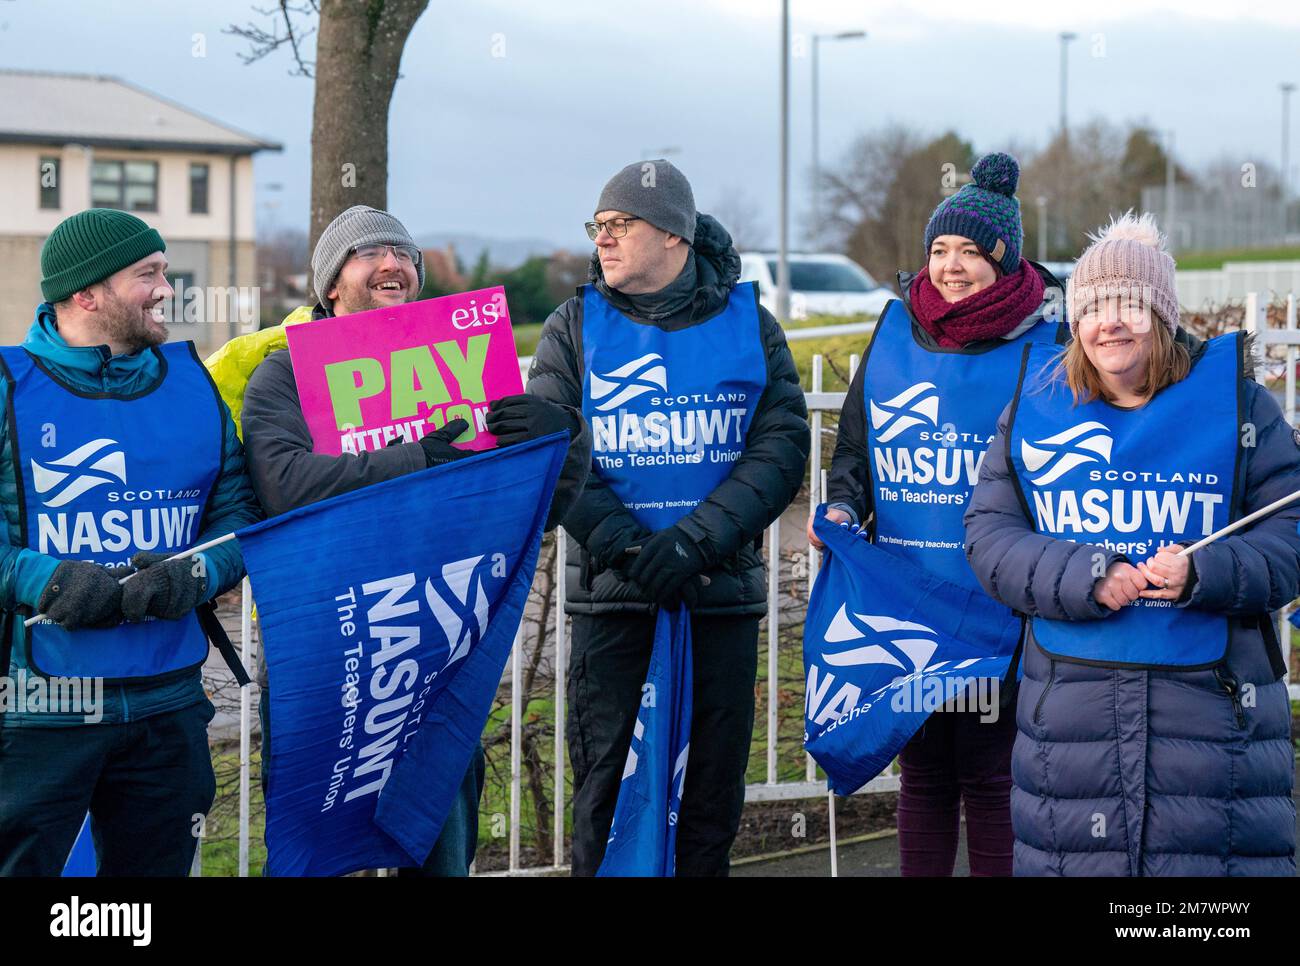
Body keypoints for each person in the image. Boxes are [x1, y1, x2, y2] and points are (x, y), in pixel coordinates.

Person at [214, 205, 590, 876]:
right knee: (313, 844)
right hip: (331, 652)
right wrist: (419, 459)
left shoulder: (463, 366)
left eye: (404, 253)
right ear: (332, 284)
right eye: (370, 253)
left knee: (440, 842)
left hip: (437, 653)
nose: (393, 263)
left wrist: (562, 441)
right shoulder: (285, 376)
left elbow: (537, 510)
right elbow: (287, 489)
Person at [964, 211, 1299, 876]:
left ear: (1164, 314)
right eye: (1093, 307)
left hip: (1216, 727)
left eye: (1130, 305)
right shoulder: (1034, 408)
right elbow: (990, 536)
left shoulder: (1240, 406)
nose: (1109, 323)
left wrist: (1208, 570)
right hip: (1070, 725)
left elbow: (1289, 536)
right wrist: (1085, 571)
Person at [528, 159, 810, 875]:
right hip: (611, 603)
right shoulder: (572, 326)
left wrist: (693, 544)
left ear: (676, 236)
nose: (604, 240)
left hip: (717, 600)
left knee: (708, 806)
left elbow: (779, 449)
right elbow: (552, 450)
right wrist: (629, 549)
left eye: (620, 224)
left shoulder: (752, 324)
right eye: (597, 227)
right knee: (607, 804)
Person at [812, 153, 1064, 877]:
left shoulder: (1044, 346)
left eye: (971, 253)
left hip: (997, 607)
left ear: (1005, 259)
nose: (952, 267)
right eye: (939, 250)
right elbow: (855, 448)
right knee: (922, 777)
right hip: (906, 602)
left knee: (991, 778)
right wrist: (841, 501)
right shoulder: (892, 332)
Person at [0, 209, 262, 875]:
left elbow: (239, 520)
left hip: (166, 707)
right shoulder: (9, 388)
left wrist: (192, 575)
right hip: (40, 712)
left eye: (165, 272)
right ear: (86, 293)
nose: (167, 289)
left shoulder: (193, 385)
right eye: (148, 274)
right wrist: (49, 582)